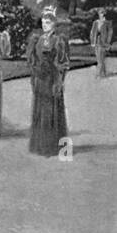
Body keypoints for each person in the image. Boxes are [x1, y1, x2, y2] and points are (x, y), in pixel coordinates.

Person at [26, 10, 69, 157]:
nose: (45, 25)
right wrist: (35, 71)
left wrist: (59, 81)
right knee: (40, 110)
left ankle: (52, 146)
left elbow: (62, 62)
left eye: (48, 22)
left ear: (54, 24)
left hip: (52, 78)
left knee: (51, 110)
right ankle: (41, 145)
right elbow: (31, 60)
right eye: (43, 22)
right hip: (40, 79)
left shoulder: (58, 40)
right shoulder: (37, 39)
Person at [91, 8, 112, 79]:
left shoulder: (107, 23)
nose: (102, 14)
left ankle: (98, 74)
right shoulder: (95, 22)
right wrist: (92, 42)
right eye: (100, 12)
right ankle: (103, 73)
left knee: (101, 58)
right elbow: (93, 33)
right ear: (98, 14)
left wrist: (108, 42)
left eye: (103, 12)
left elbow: (110, 33)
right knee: (99, 58)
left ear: (105, 13)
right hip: (97, 42)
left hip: (104, 42)